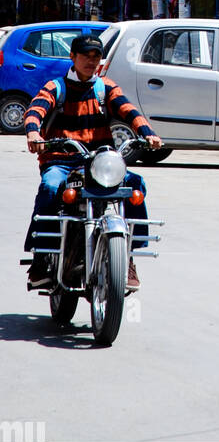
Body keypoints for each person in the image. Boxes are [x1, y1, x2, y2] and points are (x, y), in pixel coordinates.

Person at [23, 34, 162, 291]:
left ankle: (127, 257)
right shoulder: (57, 87)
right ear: (73, 57)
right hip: (62, 161)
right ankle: (41, 258)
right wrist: (33, 132)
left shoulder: (105, 88)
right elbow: (36, 110)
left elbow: (129, 111)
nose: (91, 61)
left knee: (135, 185)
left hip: (99, 163)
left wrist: (148, 134)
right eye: (85, 55)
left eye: (96, 56)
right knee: (51, 188)